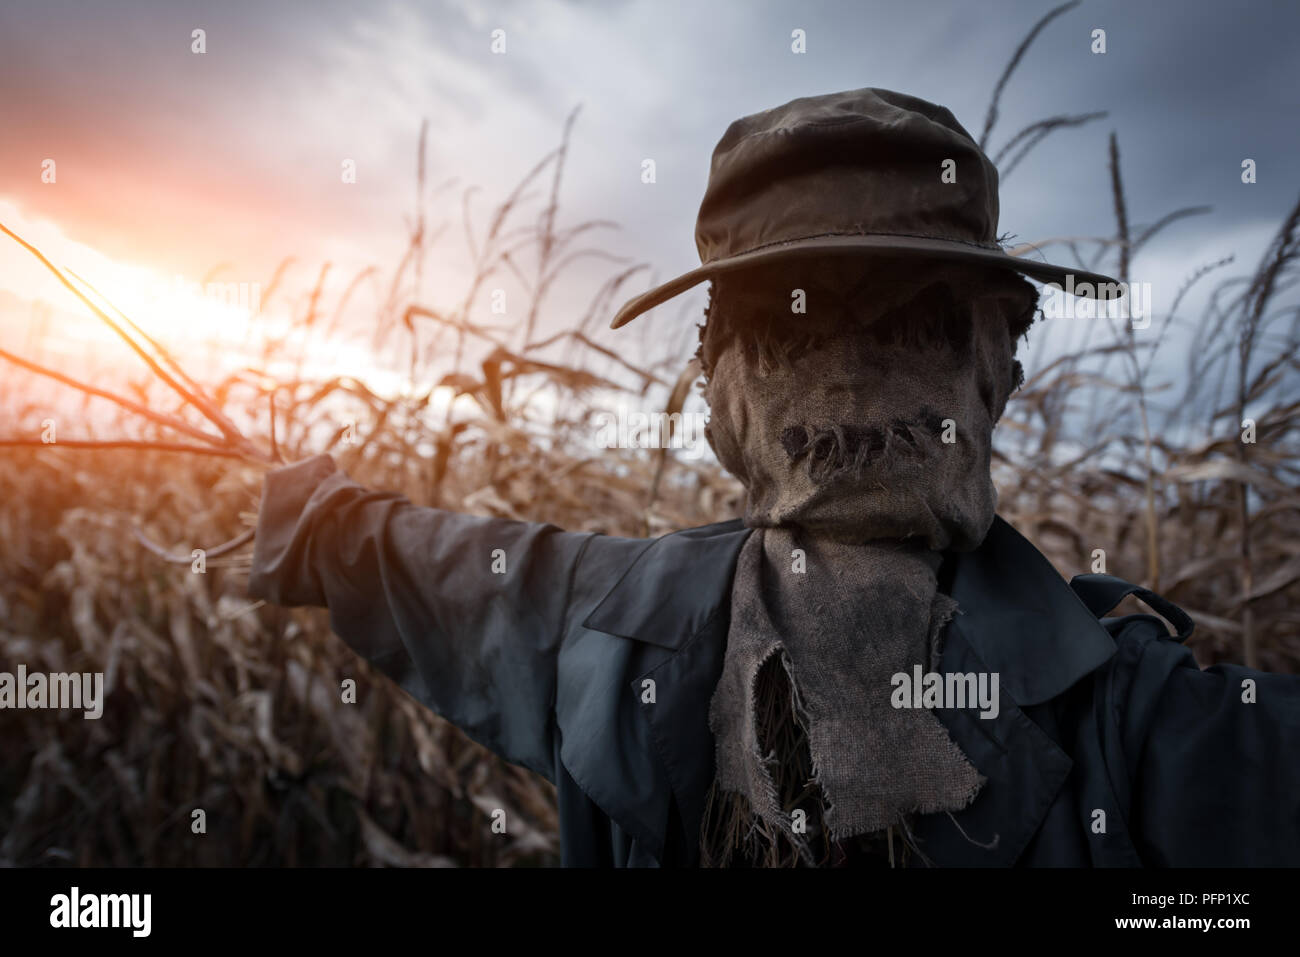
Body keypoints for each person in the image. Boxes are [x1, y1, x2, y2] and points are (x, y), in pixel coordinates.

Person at [247, 88, 1300, 867]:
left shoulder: (1153, 726)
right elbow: (437, 567)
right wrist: (319, 522)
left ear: (999, 363)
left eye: (911, 325)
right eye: (794, 330)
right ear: (718, 384)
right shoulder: (613, 622)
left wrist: (320, 526)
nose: (848, 376)